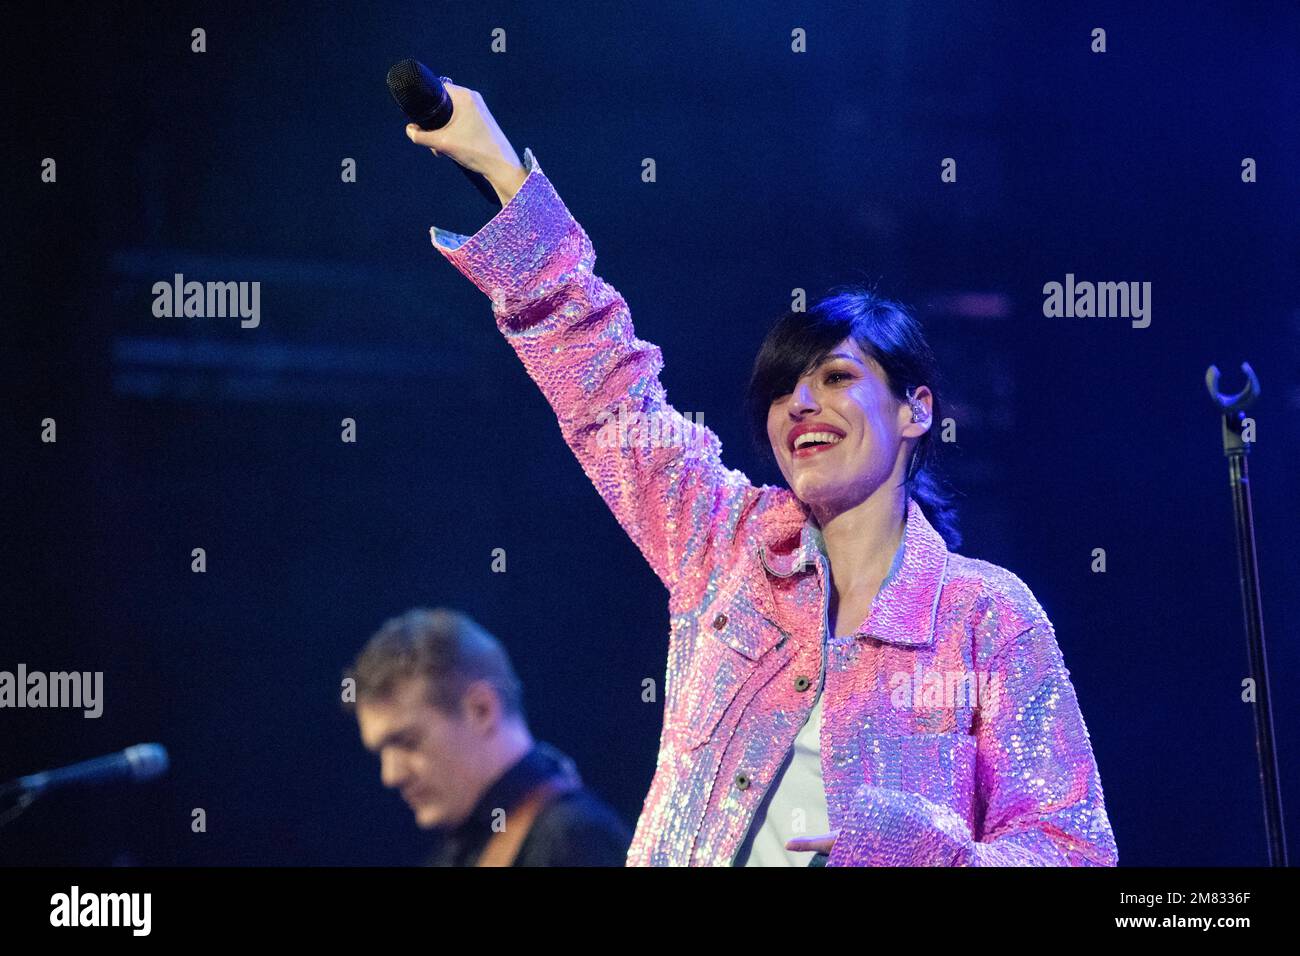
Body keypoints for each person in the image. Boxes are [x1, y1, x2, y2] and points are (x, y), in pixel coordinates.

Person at [403, 84, 1119, 866]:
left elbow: (1070, 849)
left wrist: (919, 852)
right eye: (782, 389)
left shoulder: (986, 618)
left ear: (917, 410)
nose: (801, 403)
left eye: (837, 378)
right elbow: (608, 391)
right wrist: (503, 173)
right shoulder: (724, 544)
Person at [345, 607, 631, 866]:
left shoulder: (575, 838)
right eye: (381, 751)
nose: (391, 775)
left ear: (482, 710)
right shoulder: (455, 851)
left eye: (407, 742)